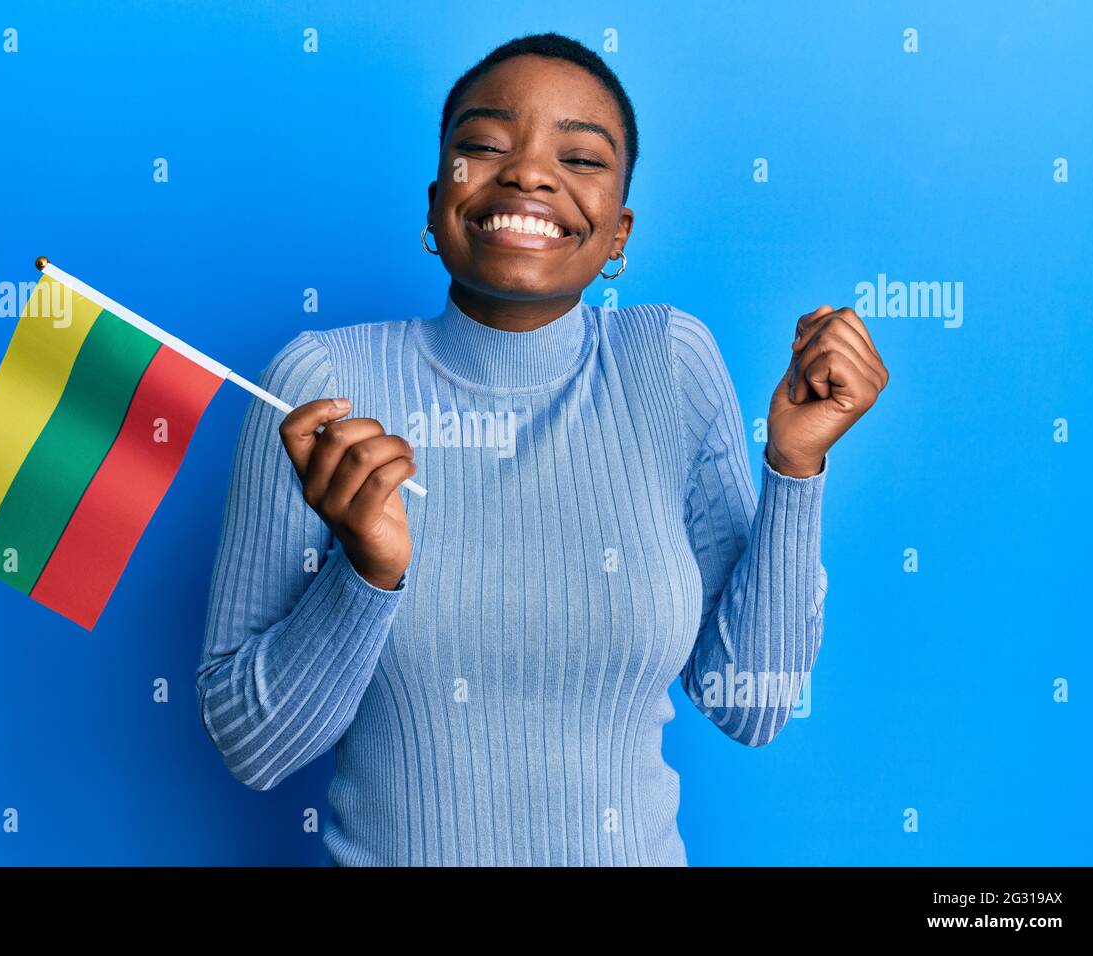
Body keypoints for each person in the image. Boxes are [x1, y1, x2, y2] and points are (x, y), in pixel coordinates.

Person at [196, 32, 888, 866]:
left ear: (618, 232)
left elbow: (753, 705)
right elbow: (253, 747)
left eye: (581, 158)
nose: (527, 173)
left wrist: (796, 468)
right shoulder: (322, 384)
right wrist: (368, 573)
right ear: (434, 204)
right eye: (484, 145)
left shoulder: (667, 362)